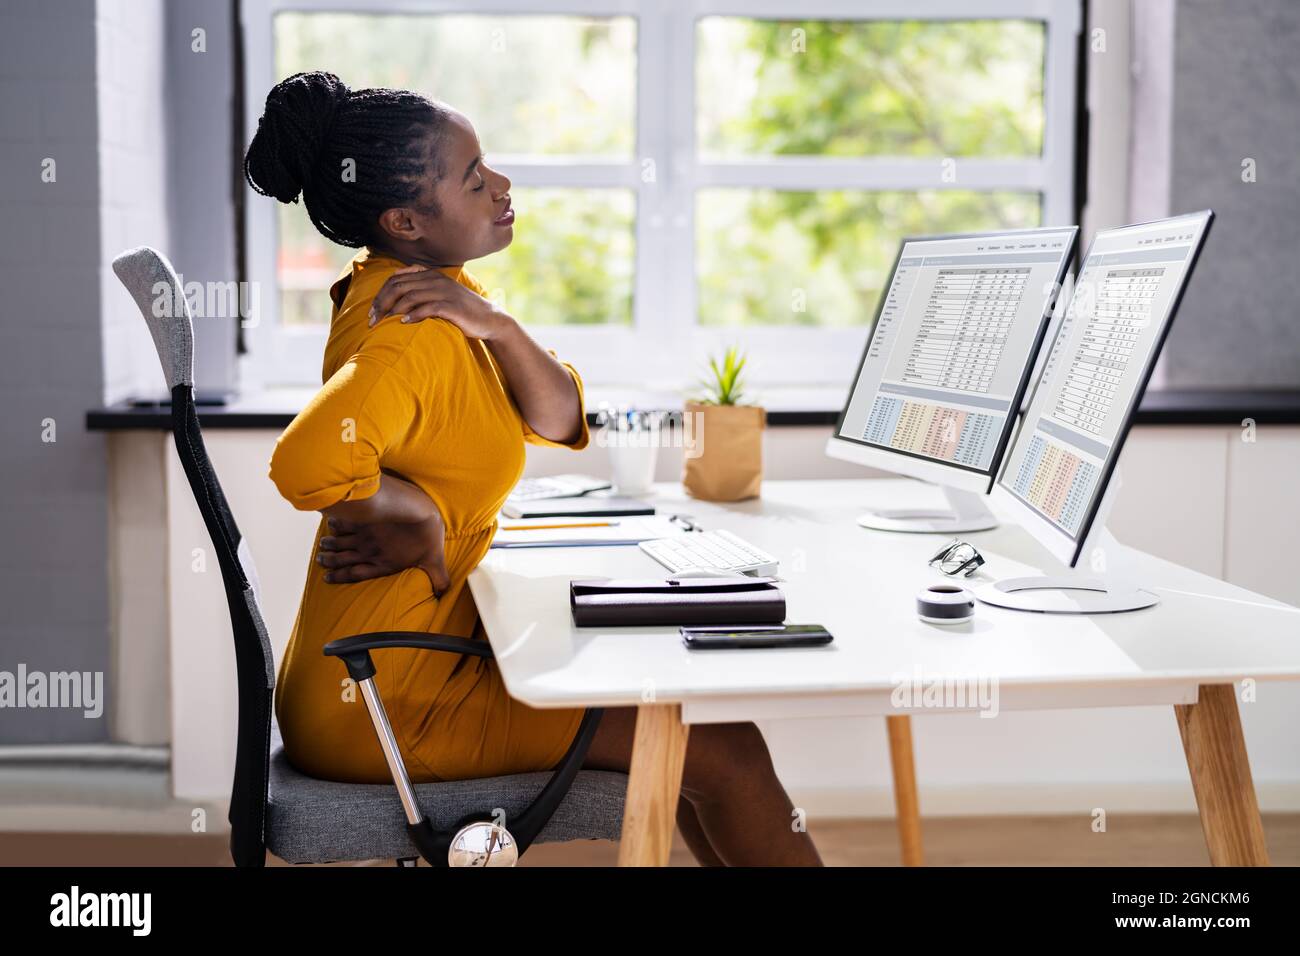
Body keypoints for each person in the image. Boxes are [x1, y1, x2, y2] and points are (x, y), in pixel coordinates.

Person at [245, 71, 821, 866]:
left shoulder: (442, 299)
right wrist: (416, 516)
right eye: (472, 178)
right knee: (724, 750)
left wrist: (501, 326)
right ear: (405, 221)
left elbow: (556, 416)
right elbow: (303, 462)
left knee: (698, 732)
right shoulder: (412, 329)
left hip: (385, 675)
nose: (502, 185)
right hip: (387, 707)